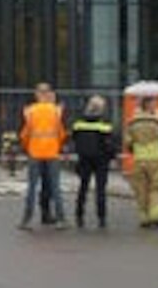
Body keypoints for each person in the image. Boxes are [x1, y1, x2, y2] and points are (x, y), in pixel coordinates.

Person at [17, 82, 66, 229]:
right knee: (55, 186)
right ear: (49, 93)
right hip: (52, 153)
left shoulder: (30, 111)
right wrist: (57, 146)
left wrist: (27, 147)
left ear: (37, 94)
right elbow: (61, 134)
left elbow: (25, 134)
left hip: (35, 153)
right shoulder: (56, 111)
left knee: (32, 187)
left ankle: (26, 219)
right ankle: (60, 219)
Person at [70, 95, 118, 229]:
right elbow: (110, 144)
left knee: (83, 187)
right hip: (101, 160)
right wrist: (112, 157)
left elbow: (74, 138)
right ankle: (101, 217)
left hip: (84, 159)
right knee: (100, 189)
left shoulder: (78, 123)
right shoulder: (104, 125)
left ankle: (79, 215)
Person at [124, 94, 158, 229]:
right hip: (156, 158)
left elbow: (128, 141)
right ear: (150, 106)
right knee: (156, 188)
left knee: (141, 189)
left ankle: (143, 217)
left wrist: (134, 150)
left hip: (139, 159)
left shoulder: (132, 122)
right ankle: (155, 216)